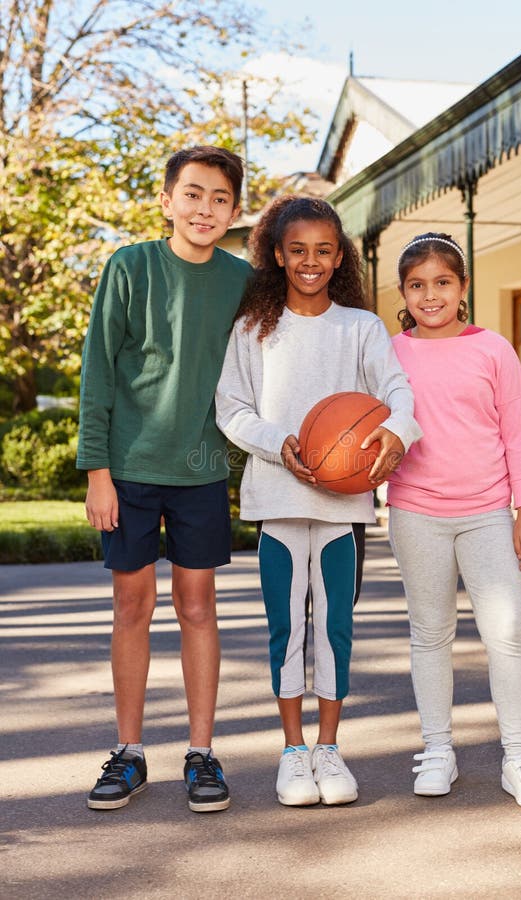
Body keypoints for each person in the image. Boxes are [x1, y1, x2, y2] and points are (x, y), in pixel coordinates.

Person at [215, 196, 422, 807]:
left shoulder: (360, 327)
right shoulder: (253, 328)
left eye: (323, 251)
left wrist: (396, 431)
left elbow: (397, 391)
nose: (311, 261)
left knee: (335, 627)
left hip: (342, 508)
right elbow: (232, 408)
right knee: (286, 630)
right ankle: (291, 752)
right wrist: (280, 443)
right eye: (298, 250)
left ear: (340, 258)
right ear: (277, 255)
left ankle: (329, 750)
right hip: (277, 499)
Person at [76, 145, 252, 813]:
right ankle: (128, 753)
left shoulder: (242, 280)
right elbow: (99, 371)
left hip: (202, 470)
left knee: (198, 608)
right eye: (193, 193)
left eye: (219, 199)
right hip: (128, 470)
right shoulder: (130, 266)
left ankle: (201, 752)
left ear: (233, 211)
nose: (205, 208)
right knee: (132, 608)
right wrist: (98, 472)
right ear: (167, 199)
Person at [387, 232, 521, 808]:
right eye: (416, 285)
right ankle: (437, 751)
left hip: (487, 511)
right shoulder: (390, 352)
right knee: (430, 634)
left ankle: (520, 758)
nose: (429, 295)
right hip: (415, 513)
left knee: (506, 633)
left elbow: (517, 435)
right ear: (403, 292)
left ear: (462, 288)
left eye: (441, 282)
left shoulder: (494, 349)